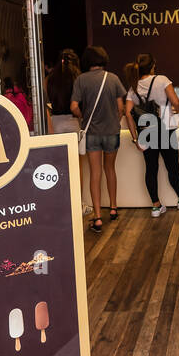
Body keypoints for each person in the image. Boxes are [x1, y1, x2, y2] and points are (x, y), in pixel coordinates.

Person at [121, 54, 179, 218]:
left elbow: (128, 114)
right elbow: (177, 102)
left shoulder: (133, 87)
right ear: (153, 66)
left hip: (145, 132)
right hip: (166, 129)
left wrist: (135, 138)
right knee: (172, 166)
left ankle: (156, 206)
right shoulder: (162, 80)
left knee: (151, 169)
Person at [70, 46, 127, 232]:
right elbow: (121, 107)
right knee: (110, 168)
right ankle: (113, 208)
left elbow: (73, 106)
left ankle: (97, 216)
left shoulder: (81, 80)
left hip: (92, 133)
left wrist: (83, 118)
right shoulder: (113, 78)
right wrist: (115, 121)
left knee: (95, 173)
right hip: (112, 132)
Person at [46, 49, 80, 135]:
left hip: (55, 122)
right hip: (73, 121)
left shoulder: (50, 77)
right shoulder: (77, 76)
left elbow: (47, 98)